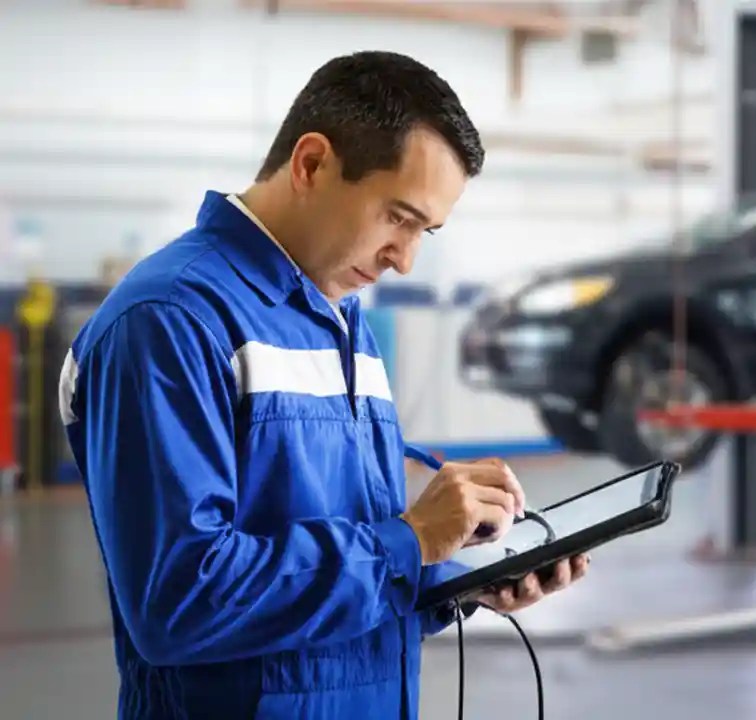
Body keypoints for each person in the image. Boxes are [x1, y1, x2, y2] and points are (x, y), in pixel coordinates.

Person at [59, 51, 588, 719]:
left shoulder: (338, 316)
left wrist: (458, 581)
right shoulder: (170, 320)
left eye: (425, 230)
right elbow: (180, 601)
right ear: (311, 164)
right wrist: (411, 540)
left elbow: (343, 555)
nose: (405, 257)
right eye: (398, 217)